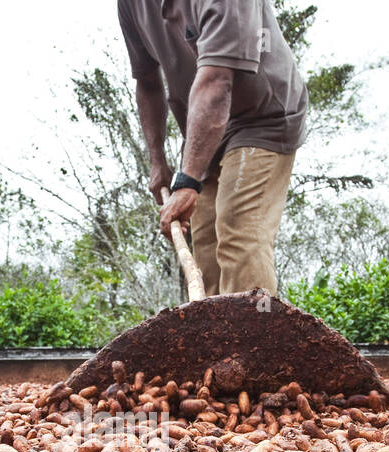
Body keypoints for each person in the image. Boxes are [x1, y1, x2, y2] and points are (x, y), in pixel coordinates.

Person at [118, 0, 307, 297]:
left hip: (262, 116)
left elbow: (217, 81)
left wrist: (188, 181)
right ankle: (215, 343)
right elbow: (148, 81)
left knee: (239, 232)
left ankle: (254, 339)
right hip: (204, 129)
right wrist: (158, 163)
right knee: (207, 249)